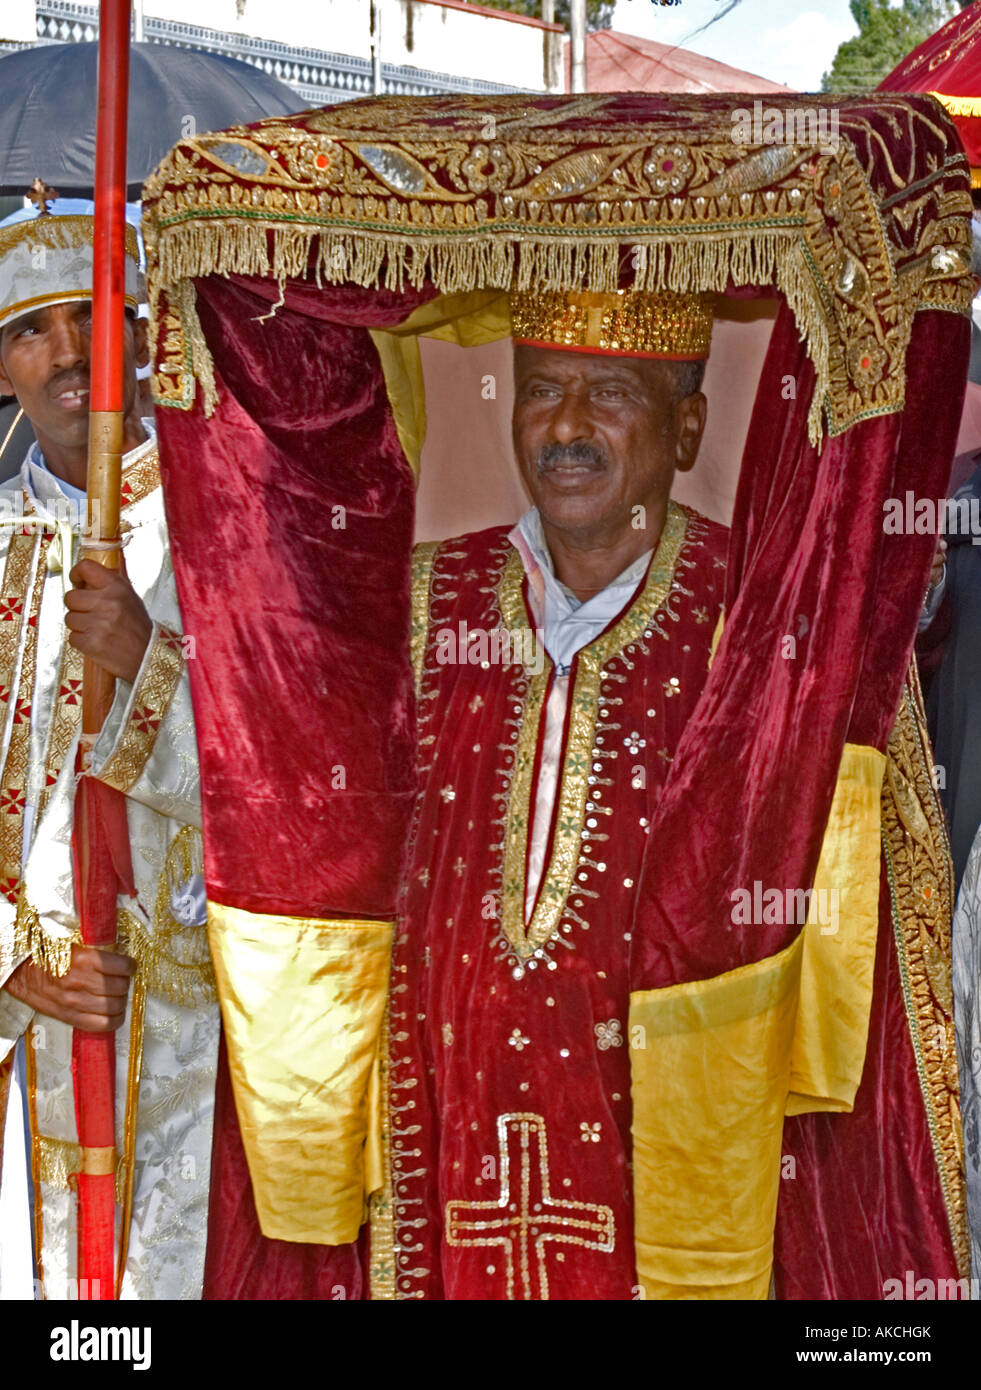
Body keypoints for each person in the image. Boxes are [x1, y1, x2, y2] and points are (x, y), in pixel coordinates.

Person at [0, 195, 218, 1299]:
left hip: (196, 1020)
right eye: (34, 326)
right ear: (2, 367)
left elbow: (296, 784)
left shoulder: (227, 527)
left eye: (96, 314)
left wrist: (146, 656)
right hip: (25, 1024)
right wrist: (20, 964)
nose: (71, 352)